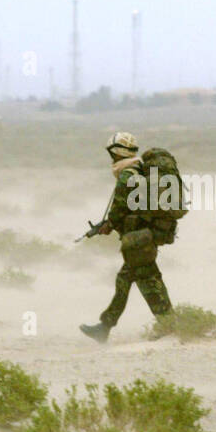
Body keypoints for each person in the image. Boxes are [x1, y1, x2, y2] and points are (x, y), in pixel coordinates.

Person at [79, 132, 173, 342]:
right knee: (127, 279)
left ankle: (169, 325)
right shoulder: (138, 169)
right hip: (143, 236)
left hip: (138, 239)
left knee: (149, 281)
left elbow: (120, 206)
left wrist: (108, 225)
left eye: (112, 153)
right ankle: (105, 326)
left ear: (117, 152)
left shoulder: (127, 174)